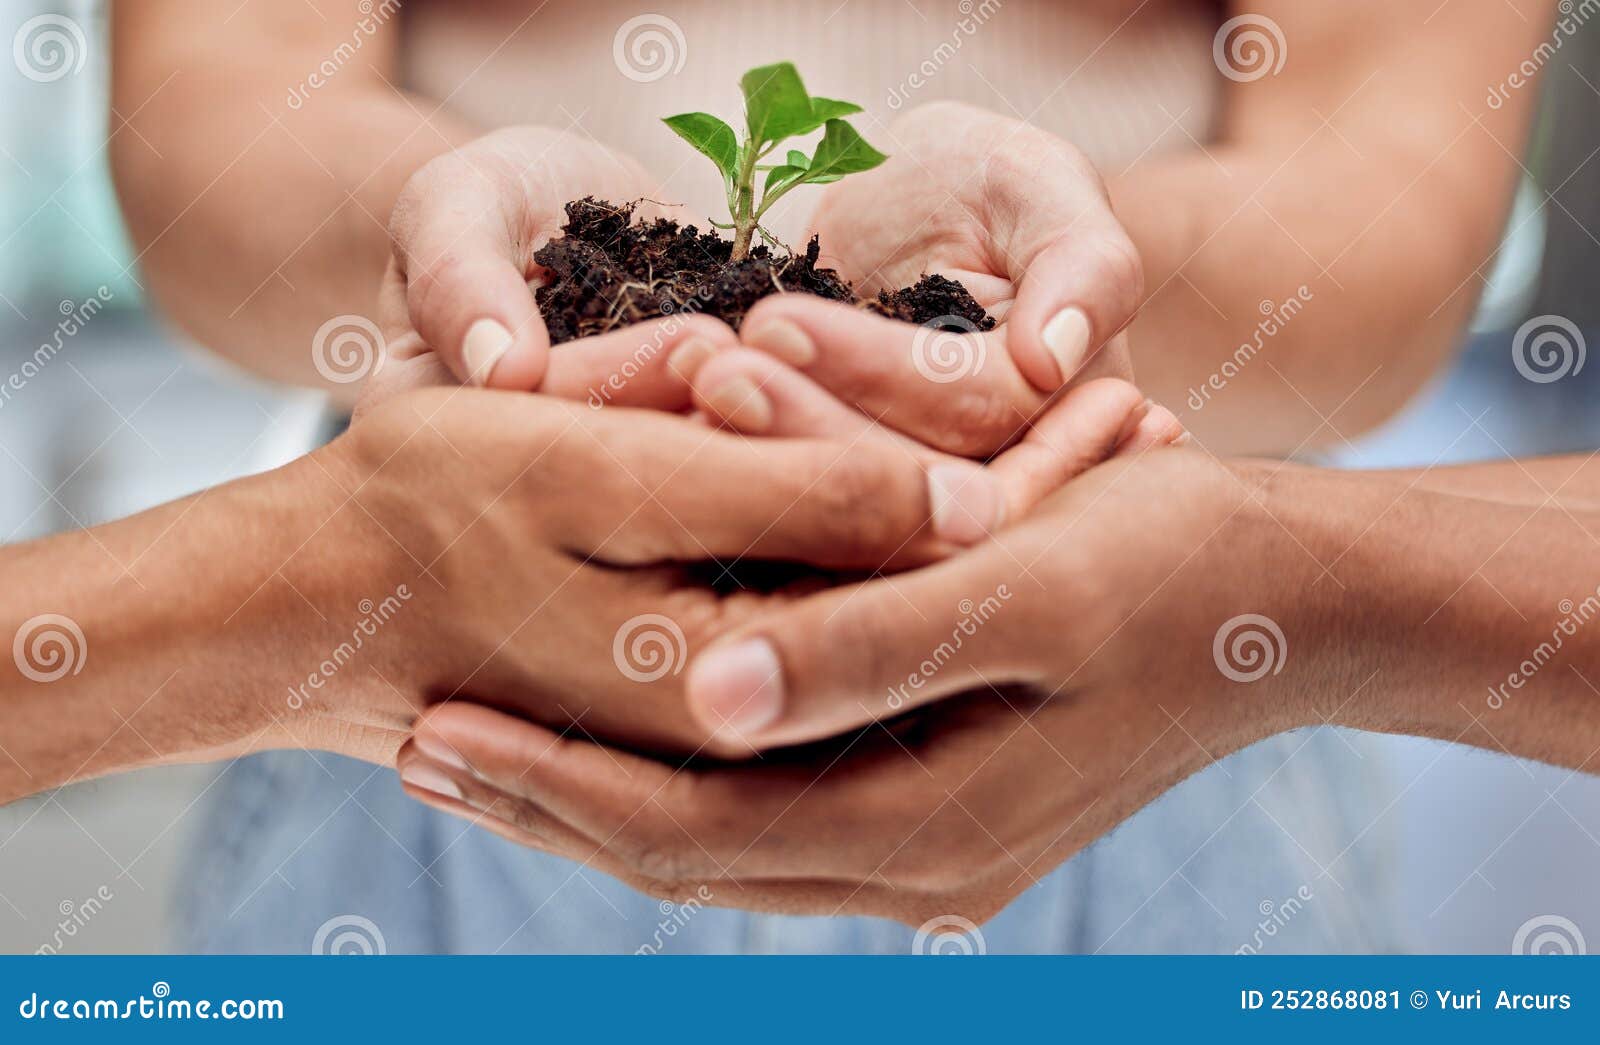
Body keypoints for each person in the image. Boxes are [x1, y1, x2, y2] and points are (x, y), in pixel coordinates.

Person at [104, 0, 1553, 952]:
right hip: (451, 642)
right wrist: (458, 254)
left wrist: (1039, 298)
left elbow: (1385, 203)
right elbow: (211, 123)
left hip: (1136, 646)